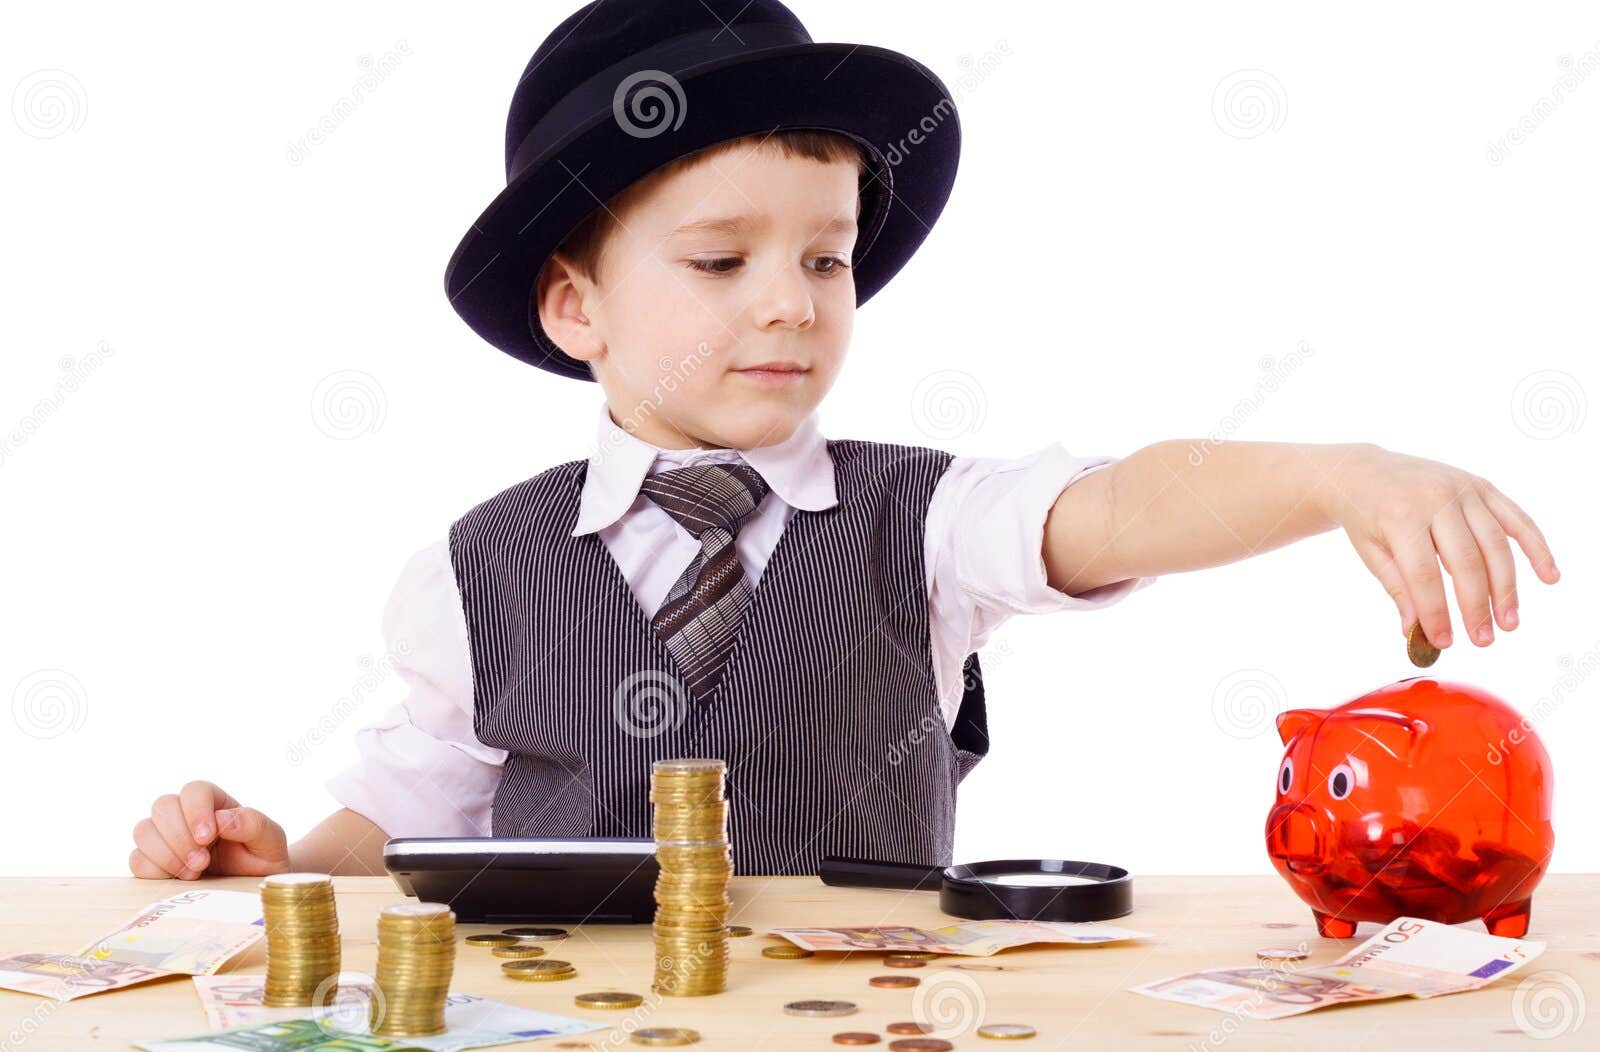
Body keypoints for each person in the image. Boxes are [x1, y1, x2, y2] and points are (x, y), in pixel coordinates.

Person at [128, 0, 1558, 882]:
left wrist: (1338, 475)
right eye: (718, 262)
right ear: (578, 309)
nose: (792, 306)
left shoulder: (926, 526)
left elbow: (1120, 507)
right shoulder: (477, 570)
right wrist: (271, 868)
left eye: (825, 260)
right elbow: (407, 821)